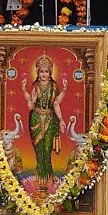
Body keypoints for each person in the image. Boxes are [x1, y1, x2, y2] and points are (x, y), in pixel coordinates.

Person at [21, 53, 66, 181]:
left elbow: (56, 103)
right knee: (38, 149)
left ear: (50, 72)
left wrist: (61, 119)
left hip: (50, 120)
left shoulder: (54, 86)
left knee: (47, 149)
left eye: (46, 71)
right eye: (41, 72)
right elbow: (30, 105)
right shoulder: (34, 86)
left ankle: (48, 175)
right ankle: (40, 176)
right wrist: (30, 96)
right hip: (35, 119)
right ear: (38, 72)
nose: (44, 74)